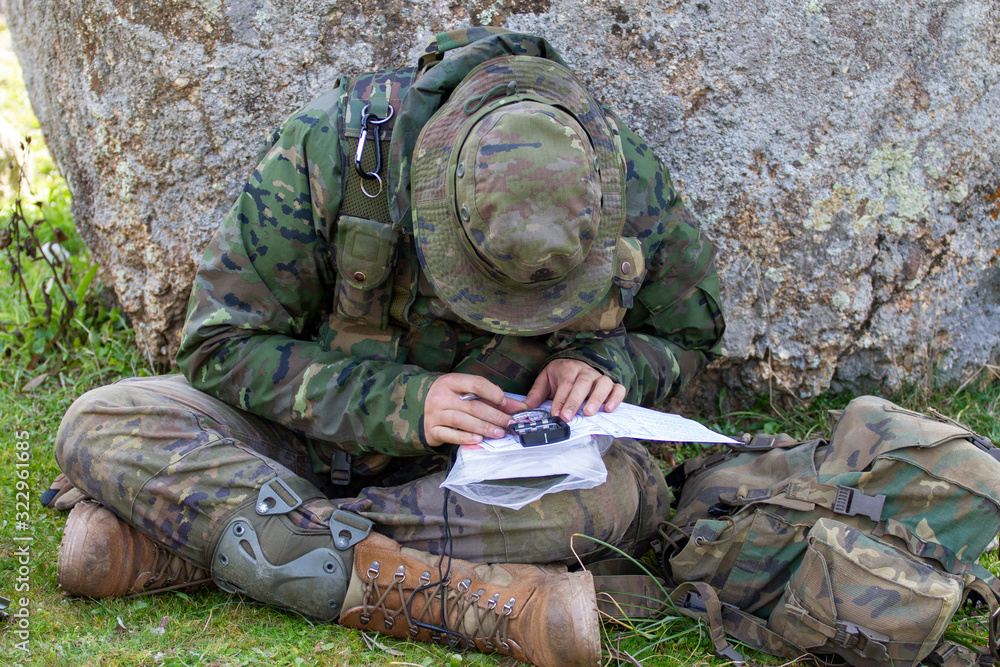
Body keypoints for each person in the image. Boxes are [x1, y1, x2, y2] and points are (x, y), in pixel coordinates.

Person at [47, 28, 724, 667]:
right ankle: (462, 600)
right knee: (101, 420)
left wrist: (606, 364)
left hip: (473, 484)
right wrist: (402, 402)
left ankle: (195, 542)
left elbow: (690, 333)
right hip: (302, 444)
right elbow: (220, 342)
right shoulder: (337, 147)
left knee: (620, 497)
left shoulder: (626, 179)